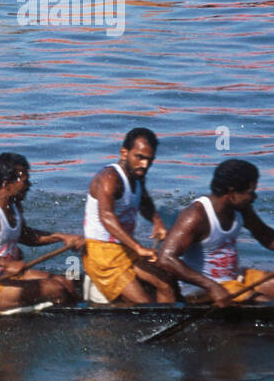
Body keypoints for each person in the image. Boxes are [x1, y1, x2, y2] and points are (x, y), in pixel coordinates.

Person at [0, 152, 83, 312]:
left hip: (8, 277)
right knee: (56, 289)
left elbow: (27, 236)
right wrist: (5, 263)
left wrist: (61, 237)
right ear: (7, 184)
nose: (29, 185)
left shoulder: (14, 206)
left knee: (67, 283)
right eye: (25, 181)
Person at [159, 159, 274, 305]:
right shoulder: (196, 215)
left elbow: (267, 236)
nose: (254, 198)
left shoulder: (241, 209)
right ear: (232, 192)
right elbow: (166, 258)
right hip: (202, 290)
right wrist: (211, 286)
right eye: (250, 192)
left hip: (234, 280)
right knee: (267, 305)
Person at [82, 128, 175, 304]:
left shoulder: (137, 176)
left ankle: (170, 321)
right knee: (143, 303)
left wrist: (157, 222)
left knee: (166, 283)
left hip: (125, 249)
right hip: (101, 254)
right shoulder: (109, 177)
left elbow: (144, 201)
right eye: (139, 157)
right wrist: (139, 247)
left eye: (149, 160)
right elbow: (106, 217)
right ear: (124, 153)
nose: (145, 165)